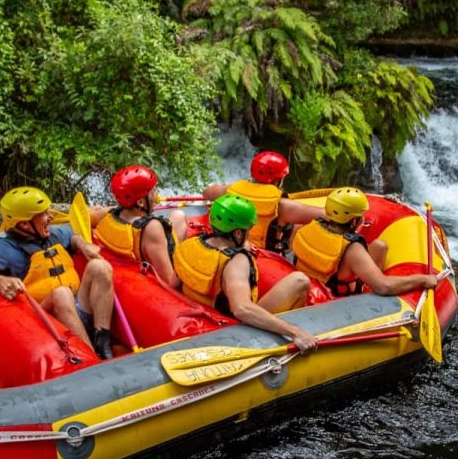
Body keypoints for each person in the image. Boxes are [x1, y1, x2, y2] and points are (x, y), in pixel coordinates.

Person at [0, 186, 117, 359]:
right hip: (44, 320)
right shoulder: (4, 249)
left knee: (100, 267)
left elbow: (72, 235)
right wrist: (0, 281)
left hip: (77, 305)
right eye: (43, 214)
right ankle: (91, 357)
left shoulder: (52, 234)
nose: (50, 217)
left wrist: (83, 245)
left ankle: (102, 342)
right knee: (61, 294)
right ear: (24, 224)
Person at [174, 194, 317, 353]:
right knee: (300, 281)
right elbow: (242, 309)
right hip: (233, 325)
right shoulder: (235, 261)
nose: (249, 233)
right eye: (248, 229)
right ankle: (291, 328)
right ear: (237, 233)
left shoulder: (191, 243)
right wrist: (294, 332)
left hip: (206, 314)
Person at [290, 187, 441, 298]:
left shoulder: (306, 226)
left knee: (379, 246)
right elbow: (384, 286)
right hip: (335, 299)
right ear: (355, 220)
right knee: (379, 248)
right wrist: (423, 279)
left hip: (306, 286)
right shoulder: (352, 250)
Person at [201, 149, 322, 252]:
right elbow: (326, 215)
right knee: (299, 226)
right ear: (278, 180)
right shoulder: (282, 205)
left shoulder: (232, 189)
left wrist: (229, 188)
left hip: (234, 243)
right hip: (264, 254)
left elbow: (206, 192)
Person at [91, 165, 188, 290]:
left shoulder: (111, 214)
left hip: (135, 257)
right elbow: (169, 281)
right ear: (141, 202)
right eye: (153, 191)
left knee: (178, 215)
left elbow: (90, 214)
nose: (156, 195)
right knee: (179, 217)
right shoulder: (151, 228)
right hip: (154, 266)